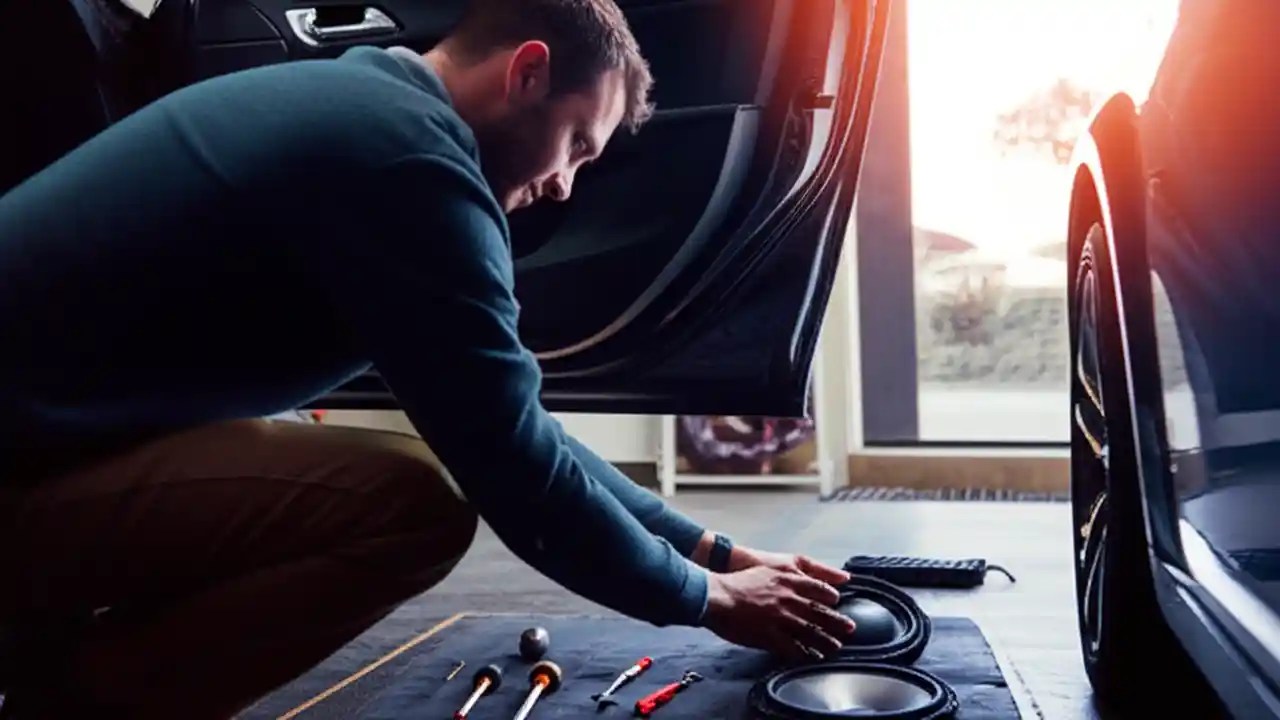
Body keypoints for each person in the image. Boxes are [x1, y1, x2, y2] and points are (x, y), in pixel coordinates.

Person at [0, 0, 856, 716]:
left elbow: (523, 434)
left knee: (287, 435)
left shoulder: (364, 106)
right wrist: (708, 600)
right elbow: (513, 467)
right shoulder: (410, 163)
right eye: (578, 145)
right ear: (527, 72)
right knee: (414, 504)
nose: (565, 186)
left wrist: (712, 551)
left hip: (40, 447)